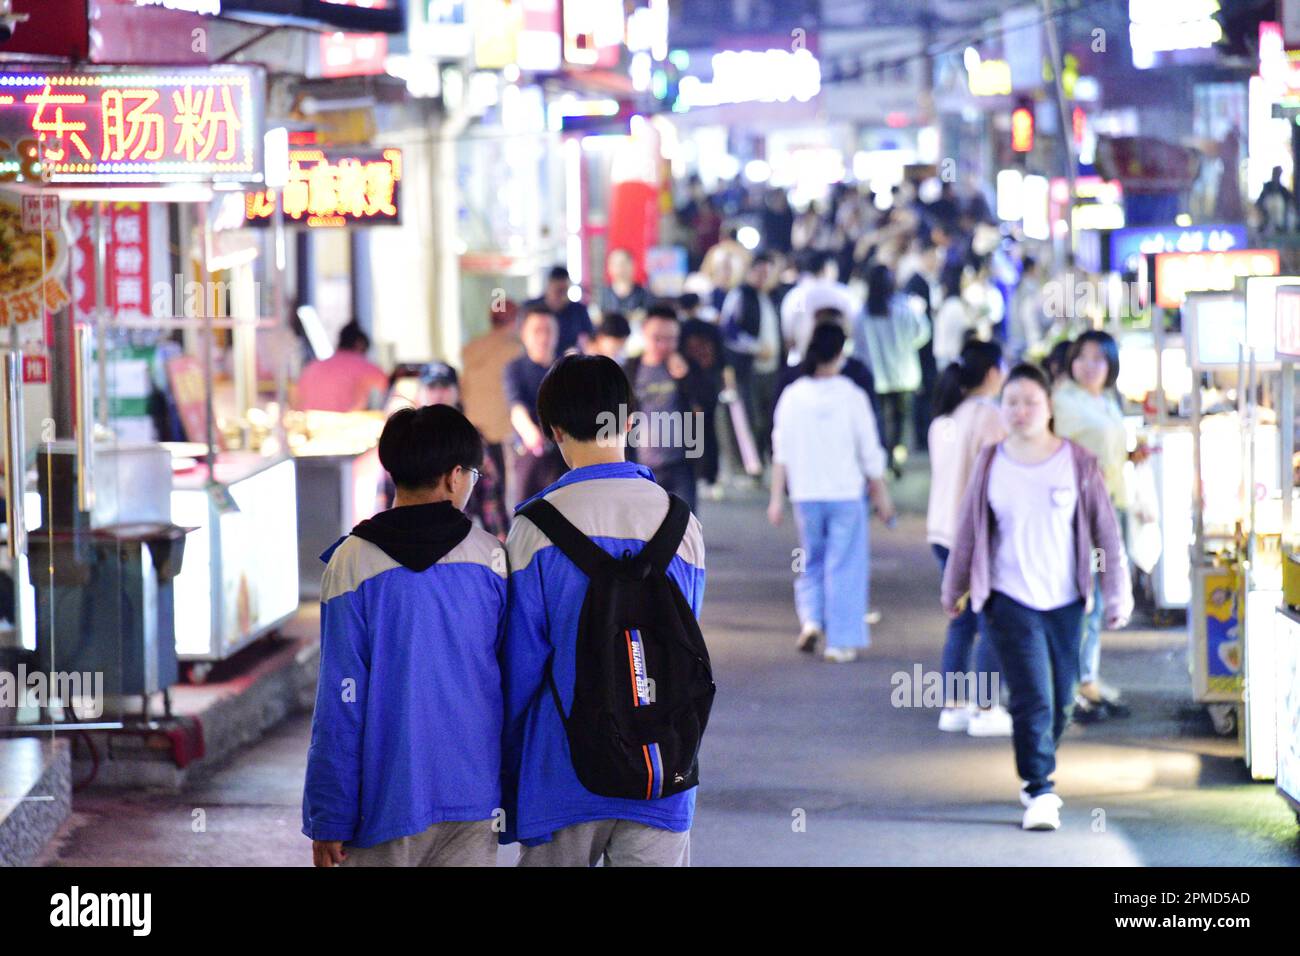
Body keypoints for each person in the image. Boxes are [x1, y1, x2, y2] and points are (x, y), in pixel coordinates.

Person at [501, 354, 706, 866]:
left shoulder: (533, 530)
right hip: (662, 770)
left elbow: (519, 670)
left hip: (563, 774)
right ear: (630, 423)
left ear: (553, 430)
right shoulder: (683, 524)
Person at [304, 404, 505, 866]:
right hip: (475, 797)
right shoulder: (492, 560)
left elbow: (339, 699)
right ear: (455, 477)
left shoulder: (352, 562)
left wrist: (330, 813)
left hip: (384, 803)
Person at [941, 363, 1132, 831]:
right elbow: (967, 530)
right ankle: (1041, 787)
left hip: (1067, 601)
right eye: (1012, 402)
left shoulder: (1077, 463)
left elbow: (1106, 535)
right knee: (1032, 696)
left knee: (1063, 697)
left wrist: (1115, 594)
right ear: (1001, 408)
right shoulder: (991, 462)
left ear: (1049, 408)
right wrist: (955, 586)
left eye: (1031, 402)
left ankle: (1036, 764)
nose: (1021, 411)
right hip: (1008, 598)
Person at [768, 323, 895, 663]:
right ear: (841, 352)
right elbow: (870, 452)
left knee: (810, 561)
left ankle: (811, 620)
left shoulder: (793, 396)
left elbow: (780, 450)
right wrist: (882, 496)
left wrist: (776, 497)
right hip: (845, 494)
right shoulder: (852, 395)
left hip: (805, 494)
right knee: (845, 565)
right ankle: (840, 640)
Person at [1051, 330, 1147, 721]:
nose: (1090, 366)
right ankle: (1069, 686)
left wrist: (1127, 453)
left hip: (1109, 508)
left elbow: (1101, 450)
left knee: (1097, 600)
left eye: (1099, 359)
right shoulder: (1063, 402)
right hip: (1078, 514)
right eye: (1083, 358)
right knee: (1080, 599)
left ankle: (1085, 678)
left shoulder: (1104, 400)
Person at [926, 340, 1009, 736]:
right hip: (975, 534)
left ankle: (954, 705)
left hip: (942, 530)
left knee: (961, 621)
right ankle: (985, 706)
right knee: (991, 618)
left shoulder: (944, 418)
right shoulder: (990, 418)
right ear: (992, 373)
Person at [858, 263, 931, 478]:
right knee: (901, 420)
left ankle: (881, 459)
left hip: (875, 376)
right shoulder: (905, 308)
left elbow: (857, 345)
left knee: (878, 420)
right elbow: (922, 334)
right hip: (904, 375)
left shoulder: (863, 312)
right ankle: (896, 458)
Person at [462, 299, 522, 530]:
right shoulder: (517, 349)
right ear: (515, 320)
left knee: (481, 499)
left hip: (476, 437)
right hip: (506, 437)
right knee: (506, 500)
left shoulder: (471, 349)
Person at [720, 252, 783, 463]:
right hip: (749, 370)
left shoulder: (769, 297)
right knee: (751, 419)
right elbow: (729, 331)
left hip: (771, 370)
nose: (764, 277)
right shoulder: (740, 295)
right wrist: (755, 348)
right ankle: (749, 464)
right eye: (760, 272)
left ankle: (765, 460)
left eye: (768, 273)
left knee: (769, 419)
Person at [504, 307, 566, 505]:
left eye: (548, 330)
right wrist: (530, 433)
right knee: (526, 508)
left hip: (563, 453)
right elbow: (516, 406)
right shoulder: (515, 368)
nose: (543, 337)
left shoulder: (565, 368)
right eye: (536, 331)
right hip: (529, 450)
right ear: (524, 334)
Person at [678, 292, 725, 496]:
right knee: (710, 432)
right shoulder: (711, 328)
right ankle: (711, 476)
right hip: (710, 386)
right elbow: (722, 358)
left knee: (691, 432)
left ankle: (694, 473)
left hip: (689, 387)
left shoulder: (681, 330)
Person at [779, 249, 857, 366]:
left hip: (800, 363)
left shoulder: (794, 295)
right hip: (836, 366)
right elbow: (854, 329)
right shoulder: (844, 294)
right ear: (827, 267)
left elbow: (787, 338)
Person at [295, 321, 389, 412]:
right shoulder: (361, 364)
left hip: (310, 423)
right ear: (360, 344)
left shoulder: (313, 366)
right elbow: (387, 386)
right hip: (345, 424)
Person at [524, 266, 593, 355]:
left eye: (565, 291)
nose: (561, 295)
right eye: (558, 290)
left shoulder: (578, 310)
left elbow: (589, 339)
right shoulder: (530, 308)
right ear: (549, 287)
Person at [932, 265, 975, 373]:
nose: (969, 282)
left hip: (946, 357)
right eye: (965, 279)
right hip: (951, 359)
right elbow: (966, 328)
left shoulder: (951, 303)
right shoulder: (954, 305)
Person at [598, 248, 652, 318]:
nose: (620, 268)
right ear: (609, 267)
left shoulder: (643, 295)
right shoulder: (602, 295)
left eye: (623, 263)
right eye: (615, 264)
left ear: (632, 265)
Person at [1256, 165, 1294, 235]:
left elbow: (1290, 202)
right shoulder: (1267, 187)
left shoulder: (1283, 190)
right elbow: (1259, 202)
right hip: (1267, 222)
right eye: (1276, 173)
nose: (1277, 175)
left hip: (1281, 225)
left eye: (1279, 174)